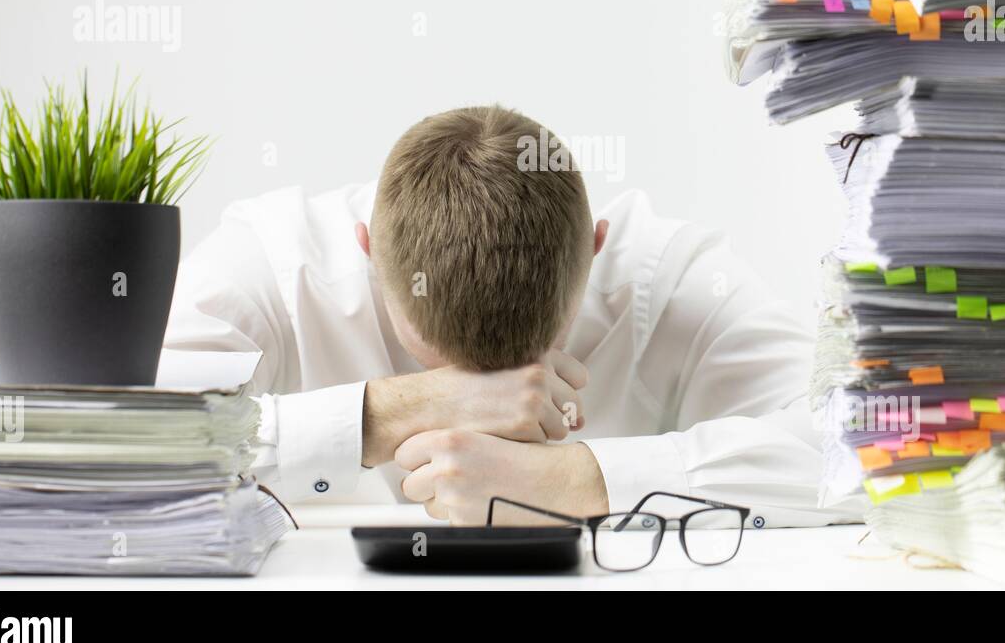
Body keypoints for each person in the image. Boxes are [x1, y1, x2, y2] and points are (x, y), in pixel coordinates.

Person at [164, 105, 862, 527]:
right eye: (444, 370)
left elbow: (870, 456)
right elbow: (93, 447)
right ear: (369, 252)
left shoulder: (671, 281)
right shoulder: (272, 267)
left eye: (523, 364)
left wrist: (576, 480)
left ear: (599, 247)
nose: (486, 404)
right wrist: (381, 414)